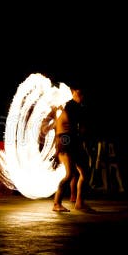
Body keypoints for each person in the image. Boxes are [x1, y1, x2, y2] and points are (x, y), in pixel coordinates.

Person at [51, 83, 92, 212]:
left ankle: (79, 202)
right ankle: (57, 203)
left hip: (73, 141)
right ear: (72, 92)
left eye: (83, 94)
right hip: (65, 142)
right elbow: (63, 130)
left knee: (85, 172)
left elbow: (80, 129)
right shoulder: (70, 106)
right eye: (79, 93)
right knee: (69, 174)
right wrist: (59, 150)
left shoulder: (78, 107)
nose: (82, 96)